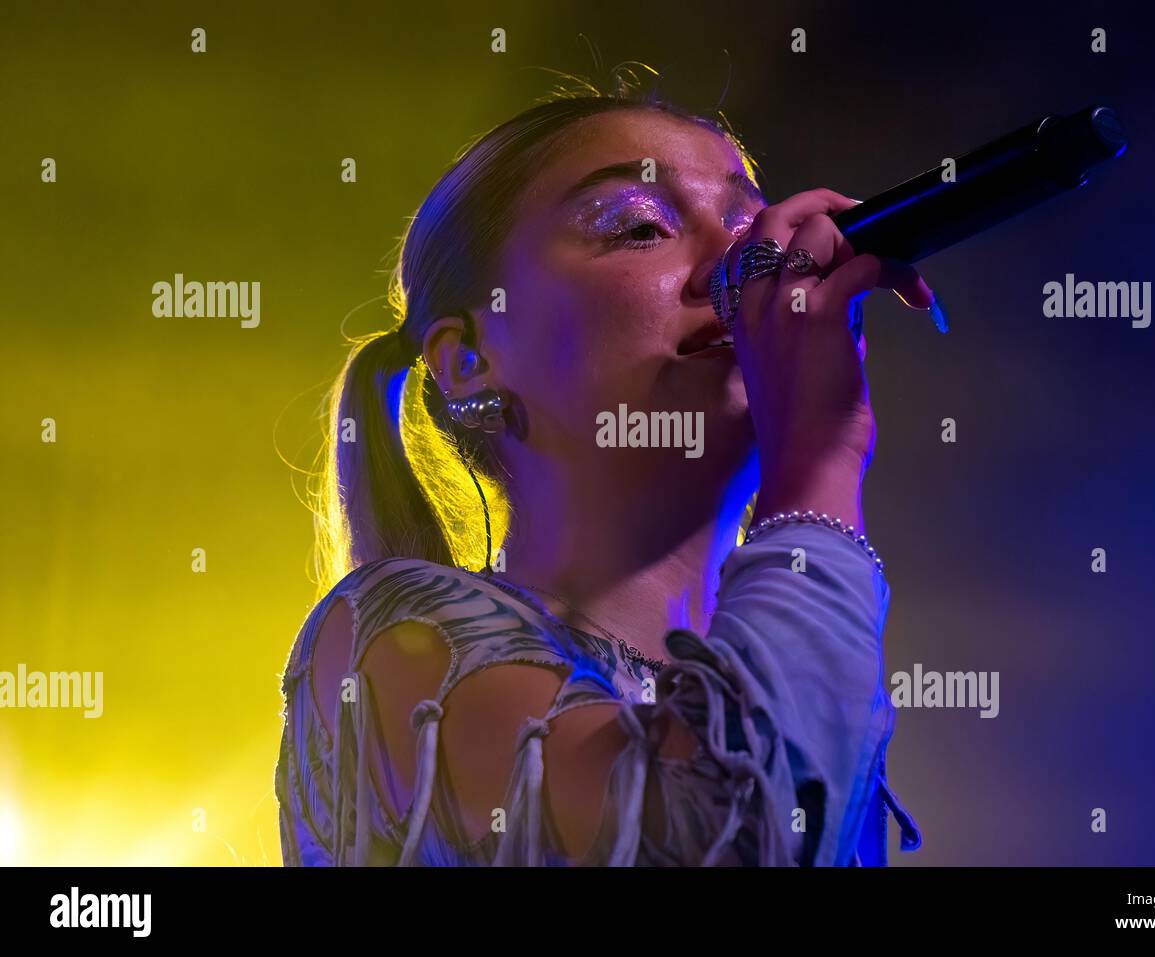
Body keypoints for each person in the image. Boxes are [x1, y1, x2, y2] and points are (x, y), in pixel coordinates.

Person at [275, 75, 932, 866]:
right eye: (640, 226)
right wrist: (819, 458)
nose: (744, 263)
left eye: (748, 224)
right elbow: (736, 840)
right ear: (471, 359)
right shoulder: (399, 638)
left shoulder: (823, 668)